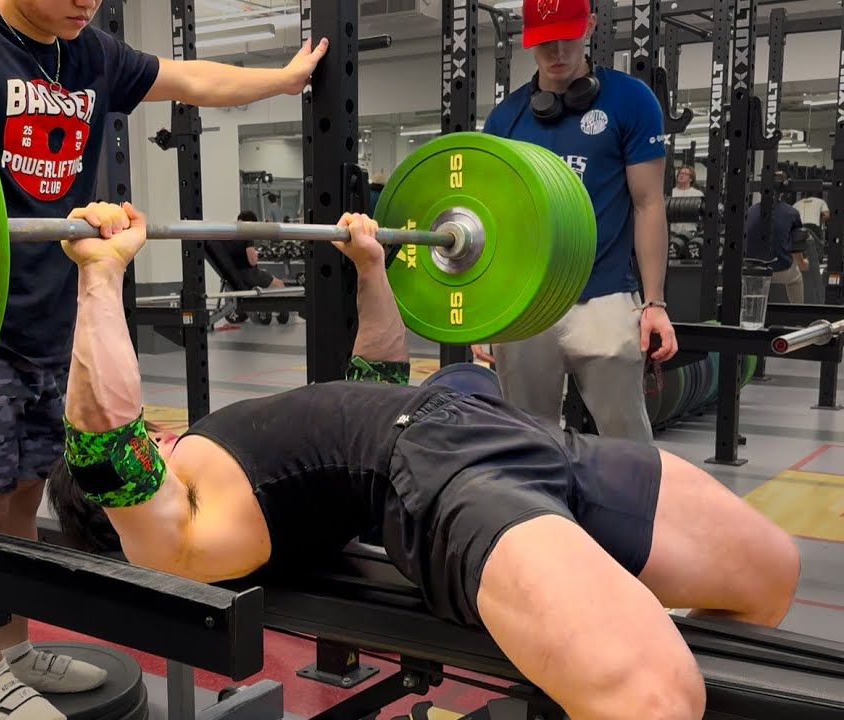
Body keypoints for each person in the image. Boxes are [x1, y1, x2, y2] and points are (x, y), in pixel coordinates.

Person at [47, 201, 801, 720]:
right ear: (113, 506)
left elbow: (372, 375)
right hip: (448, 474)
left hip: (490, 420)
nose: (160, 435)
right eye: (146, 445)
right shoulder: (177, 539)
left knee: (768, 572)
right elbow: (105, 435)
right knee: (654, 696)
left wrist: (371, 268)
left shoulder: (228, 468)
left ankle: (592, 624)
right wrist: (102, 274)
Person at [0, 1, 330, 717]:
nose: (87, 3)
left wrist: (282, 80)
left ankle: (13, 653)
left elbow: (190, 78)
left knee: (22, 495)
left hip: (57, 314)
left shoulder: (93, 54)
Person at [472, 0, 678, 443]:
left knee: (627, 448)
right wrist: (486, 309)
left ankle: (632, 513)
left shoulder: (630, 100)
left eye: (567, 35)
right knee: (527, 443)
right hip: (525, 305)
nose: (557, 51)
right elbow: (496, 219)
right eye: (544, 41)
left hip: (604, 298)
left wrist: (655, 304)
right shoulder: (506, 119)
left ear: (590, 24)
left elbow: (648, 204)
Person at [746, 178, 808, 304]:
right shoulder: (792, 212)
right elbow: (796, 248)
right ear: (782, 192)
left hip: (750, 269)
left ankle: (751, 311)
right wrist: (803, 264)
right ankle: (798, 318)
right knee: (796, 278)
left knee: (754, 279)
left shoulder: (750, 211)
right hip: (780, 270)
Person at [222, 210, 284, 290]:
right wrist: (256, 254)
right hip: (249, 276)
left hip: (235, 275)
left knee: (269, 277)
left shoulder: (228, 236)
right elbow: (252, 261)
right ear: (250, 223)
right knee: (279, 283)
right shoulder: (246, 234)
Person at [669, 165, 704, 238]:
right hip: (672, 233)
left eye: (685, 174)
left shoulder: (697, 194)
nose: (681, 175)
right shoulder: (670, 193)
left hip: (690, 233)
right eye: (680, 173)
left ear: (691, 178)